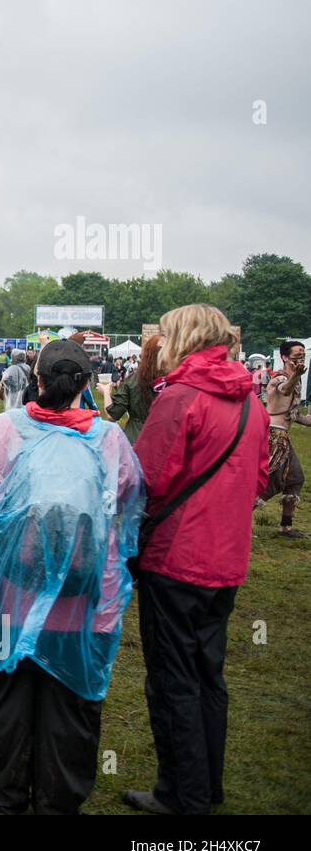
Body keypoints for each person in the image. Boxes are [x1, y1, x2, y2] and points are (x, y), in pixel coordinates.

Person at [0, 339, 145, 814]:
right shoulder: (110, 441)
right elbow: (128, 505)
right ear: (87, 385)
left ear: (37, 380)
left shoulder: (4, 431)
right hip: (81, 609)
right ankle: (59, 797)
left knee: (3, 696)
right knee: (71, 700)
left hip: (9, 600)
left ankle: (5, 793)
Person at [124, 304, 269, 816]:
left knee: (172, 680)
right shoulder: (253, 401)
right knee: (209, 676)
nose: (157, 344)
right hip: (225, 560)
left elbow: (146, 479)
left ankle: (181, 796)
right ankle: (205, 785)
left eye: (163, 335)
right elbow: (259, 481)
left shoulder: (180, 398)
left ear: (181, 339)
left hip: (176, 559)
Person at [256, 339, 308, 539]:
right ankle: (234, 524)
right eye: (296, 356)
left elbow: (293, 415)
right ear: (284, 357)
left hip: (284, 436)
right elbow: (283, 390)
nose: (300, 359)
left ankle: (286, 527)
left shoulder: (296, 379)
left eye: (302, 356)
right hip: (274, 436)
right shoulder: (278, 378)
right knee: (271, 484)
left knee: (295, 479)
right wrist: (295, 376)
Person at [98, 333, 164, 444]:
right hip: (164, 441)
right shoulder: (177, 381)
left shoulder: (133, 380)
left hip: (136, 440)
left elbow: (112, 415)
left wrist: (105, 391)